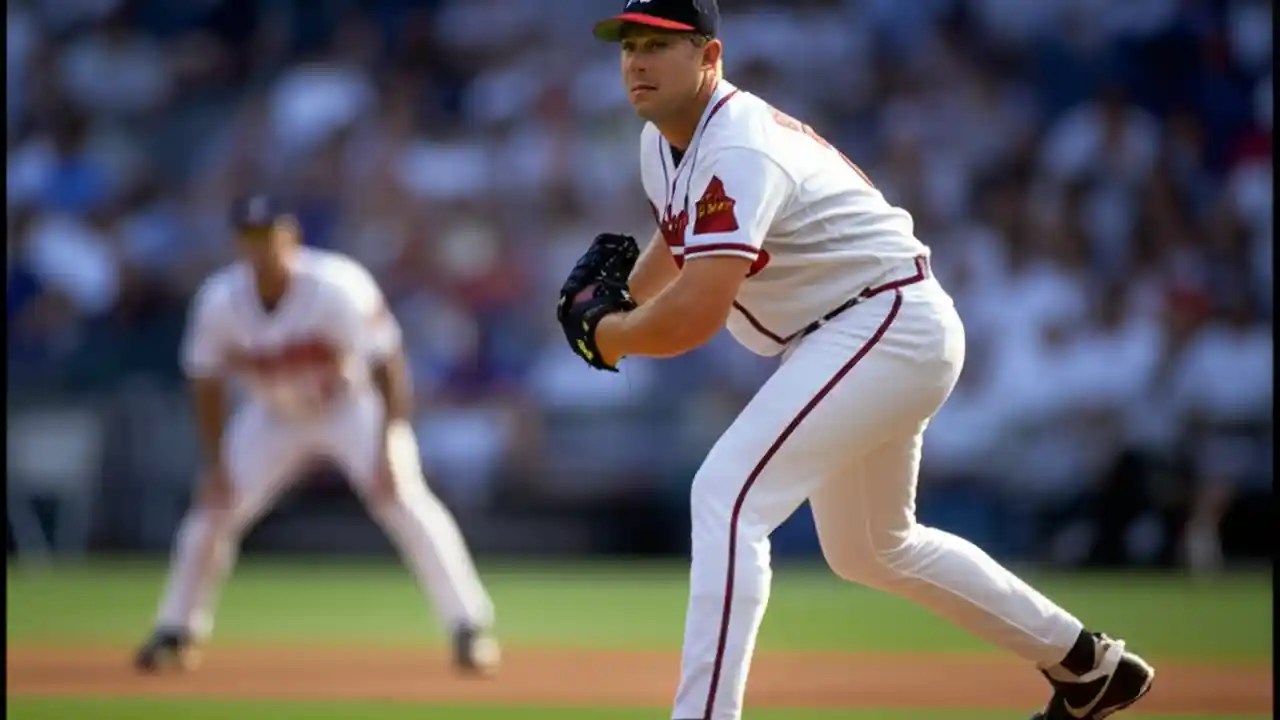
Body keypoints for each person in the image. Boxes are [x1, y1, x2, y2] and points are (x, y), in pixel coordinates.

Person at [555, 2, 1155, 718]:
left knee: (726, 494)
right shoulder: (662, 143)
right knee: (872, 547)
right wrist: (620, 294)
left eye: (659, 44)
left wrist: (609, 332)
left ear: (709, 57)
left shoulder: (738, 146)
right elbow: (682, 241)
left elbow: (695, 315)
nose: (637, 62)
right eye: (628, 46)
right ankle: (1087, 665)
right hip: (858, 331)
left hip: (885, 320)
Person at [134, 195, 499, 676]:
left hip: (347, 408)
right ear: (239, 244)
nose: (262, 248)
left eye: (271, 236)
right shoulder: (220, 300)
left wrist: (389, 442)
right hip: (272, 417)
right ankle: (176, 629)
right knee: (213, 510)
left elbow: (387, 365)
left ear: (292, 238)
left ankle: (468, 627)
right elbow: (206, 383)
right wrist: (216, 462)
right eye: (251, 238)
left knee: (403, 500)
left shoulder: (336, 286)